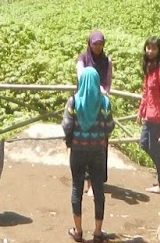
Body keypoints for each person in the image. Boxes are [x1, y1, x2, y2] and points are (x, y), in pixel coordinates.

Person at [62, 63, 114, 242]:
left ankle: (78, 231)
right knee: (99, 191)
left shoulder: (74, 101)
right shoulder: (104, 102)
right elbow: (109, 126)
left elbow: (67, 125)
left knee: (77, 188)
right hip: (98, 151)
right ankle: (98, 232)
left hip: (77, 150)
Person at [137, 36, 160, 196]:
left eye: (154, 48)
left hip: (158, 117)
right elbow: (146, 93)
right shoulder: (149, 67)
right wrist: (140, 111)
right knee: (144, 143)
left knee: (155, 149)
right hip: (149, 115)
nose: (150, 51)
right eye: (148, 48)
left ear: (159, 50)